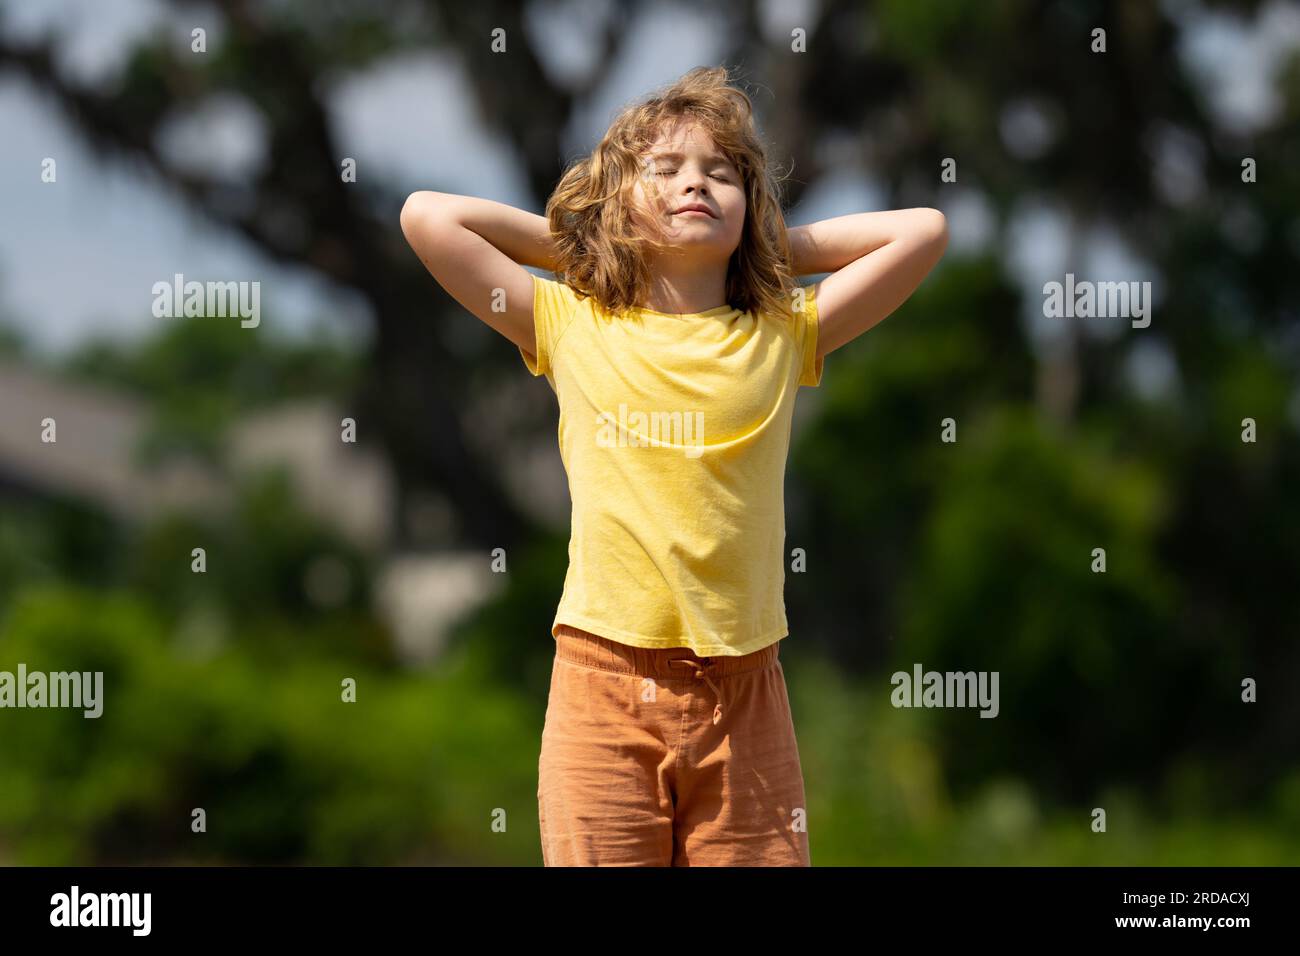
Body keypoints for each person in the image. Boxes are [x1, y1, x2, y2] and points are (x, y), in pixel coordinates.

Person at [400, 65, 948, 866]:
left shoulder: (781, 332)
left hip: (745, 690)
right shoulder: (572, 321)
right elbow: (428, 217)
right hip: (603, 682)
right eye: (665, 171)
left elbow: (923, 231)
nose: (696, 183)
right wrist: (601, 241)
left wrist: (761, 251)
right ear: (623, 201)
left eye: (721, 174)